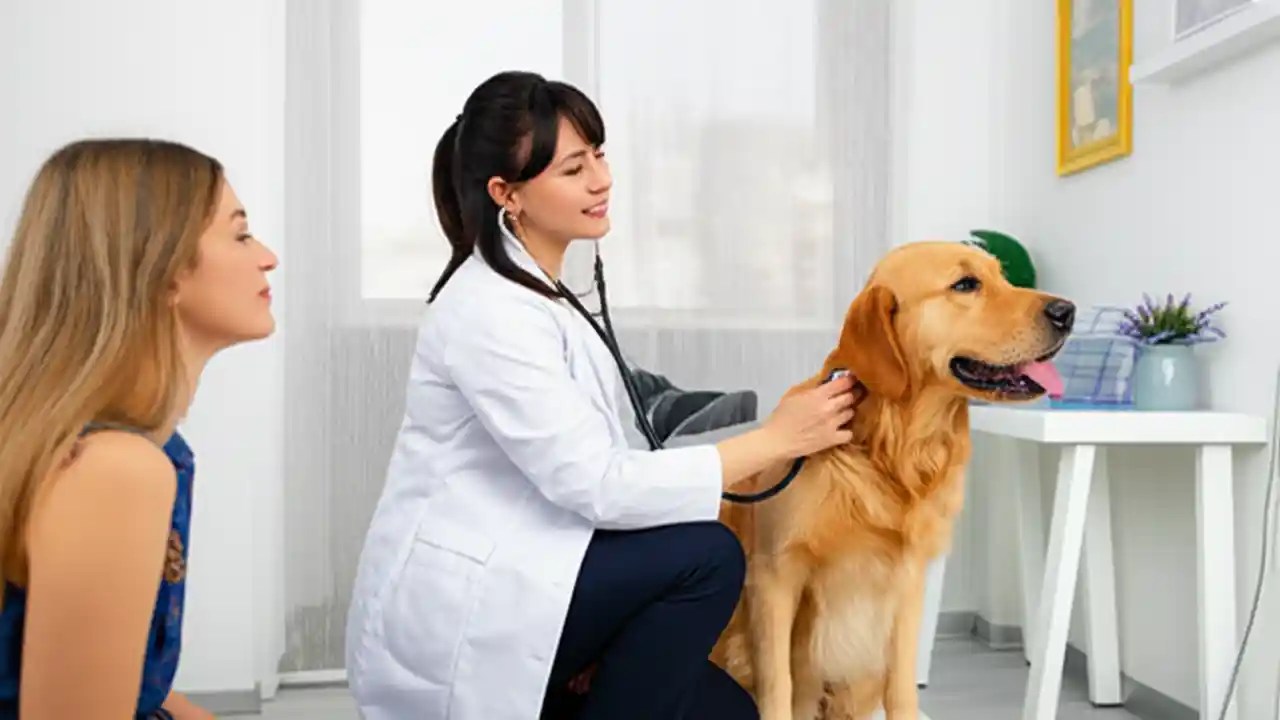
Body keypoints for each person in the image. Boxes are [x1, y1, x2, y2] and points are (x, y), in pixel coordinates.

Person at [345, 71, 857, 720]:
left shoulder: (543, 300)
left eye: (600, 156)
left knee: (729, 714)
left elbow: (605, 466)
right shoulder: (488, 312)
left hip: (540, 571)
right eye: (573, 168)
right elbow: (598, 484)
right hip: (473, 605)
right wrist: (776, 440)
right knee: (706, 556)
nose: (601, 180)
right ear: (508, 194)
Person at [0, 139, 279, 719]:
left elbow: (120, 681)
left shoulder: (117, 448)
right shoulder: (113, 470)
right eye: (240, 234)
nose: (268, 257)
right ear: (164, 271)